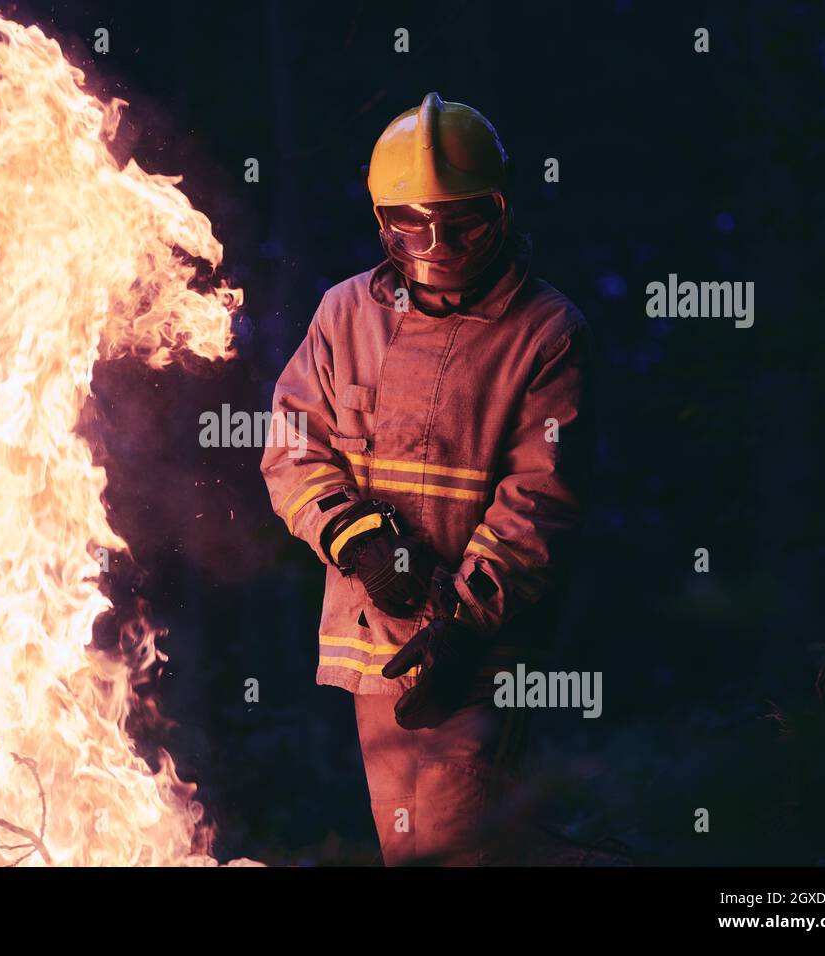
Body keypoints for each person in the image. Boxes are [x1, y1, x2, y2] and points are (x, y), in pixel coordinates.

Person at [261, 93, 592, 865]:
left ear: (502, 210)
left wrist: (467, 623)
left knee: (459, 848)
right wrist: (356, 537)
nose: (435, 243)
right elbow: (291, 448)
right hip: (371, 642)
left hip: (480, 651)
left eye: (461, 220)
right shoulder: (343, 315)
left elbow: (541, 498)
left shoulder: (547, 333)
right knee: (406, 850)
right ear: (382, 222)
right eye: (411, 221)